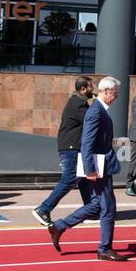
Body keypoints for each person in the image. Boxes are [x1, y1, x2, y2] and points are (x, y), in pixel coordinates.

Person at [47, 76, 127, 261]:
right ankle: (104, 249)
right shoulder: (95, 112)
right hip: (98, 168)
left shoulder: (99, 110)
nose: (116, 97)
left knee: (96, 205)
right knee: (108, 207)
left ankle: (59, 226)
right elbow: (87, 142)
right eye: (115, 94)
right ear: (106, 92)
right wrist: (89, 169)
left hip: (102, 166)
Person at [31, 76, 94, 227]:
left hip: (73, 147)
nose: (93, 90)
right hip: (71, 147)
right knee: (70, 179)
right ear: (83, 89)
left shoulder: (78, 102)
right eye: (91, 87)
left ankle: (91, 210)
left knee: (85, 179)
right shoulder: (79, 104)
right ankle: (43, 209)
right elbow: (92, 121)